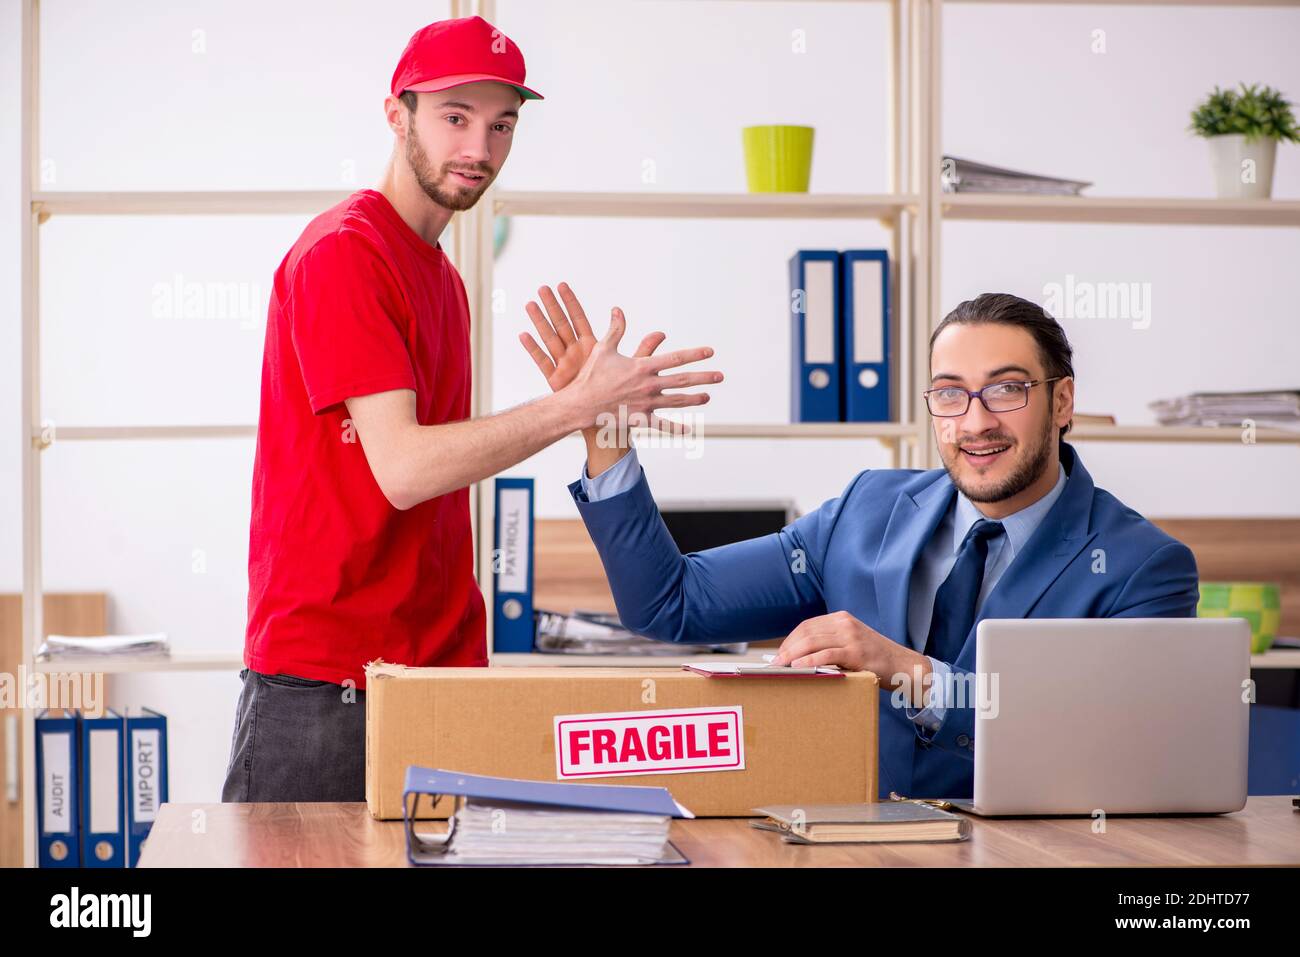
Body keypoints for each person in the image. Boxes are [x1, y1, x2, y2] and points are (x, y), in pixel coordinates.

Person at [222, 16, 720, 803]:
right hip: (326, 685)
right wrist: (573, 406)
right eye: (455, 117)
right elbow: (405, 468)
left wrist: (591, 415)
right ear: (397, 115)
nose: (479, 149)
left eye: (502, 125)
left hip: (432, 675)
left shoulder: (444, 278)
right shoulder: (344, 254)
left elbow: (444, 465)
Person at [525, 290, 1199, 800]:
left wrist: (907, 669)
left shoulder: (1142, 567)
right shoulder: (866, 510)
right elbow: (668, 602)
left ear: (1063, 402)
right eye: (950, 394)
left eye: (1006, 390)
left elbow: (1115, 752)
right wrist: (603, 432)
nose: (975, 422)